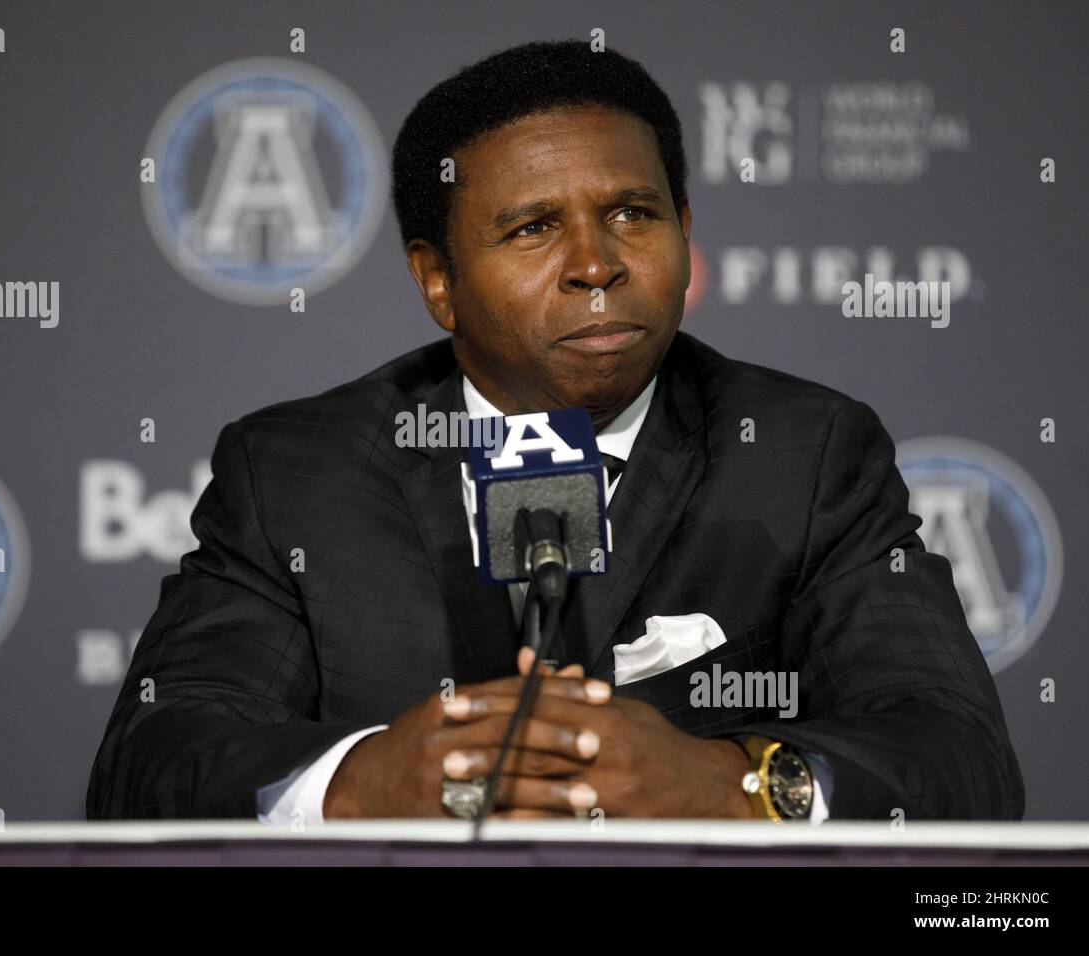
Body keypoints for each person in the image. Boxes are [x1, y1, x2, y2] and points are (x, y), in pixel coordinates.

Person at [86, 40, 1024, 823]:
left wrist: (733, 784)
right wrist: (363, 781)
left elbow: (958, 755)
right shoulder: (297, 475)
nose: (595, 264)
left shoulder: (806, 453)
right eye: (534, 228)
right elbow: (150, 762)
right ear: (437, 280)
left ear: (685, 230)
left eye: (631, 213)